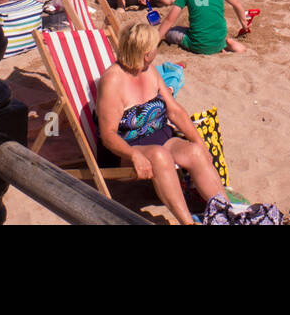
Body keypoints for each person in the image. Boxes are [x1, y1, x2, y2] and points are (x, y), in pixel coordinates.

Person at [96, 21, 226, 226]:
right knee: (160, 155)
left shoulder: (150, 71)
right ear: (147, 53)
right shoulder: (112, 81)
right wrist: (134, 155)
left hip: (161, 137)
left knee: (195, 151)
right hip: (127, 150)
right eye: (155, 47)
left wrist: (199, 142)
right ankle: (187, 223)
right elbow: (108, 135)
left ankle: (225, 213)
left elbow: (174, 111)